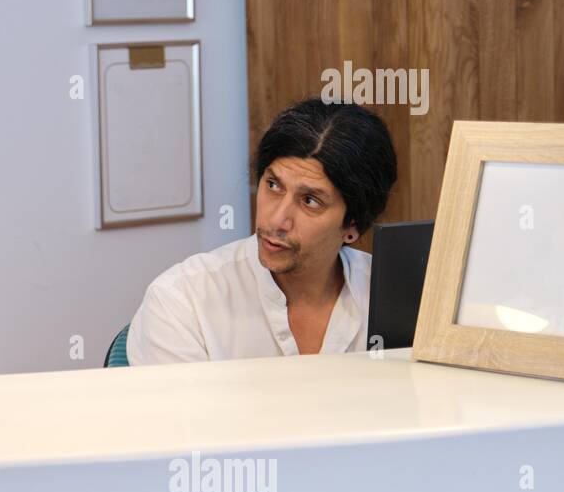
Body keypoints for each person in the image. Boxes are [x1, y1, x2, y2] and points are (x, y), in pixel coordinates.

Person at [127, 98, 397, 365]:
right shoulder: (182, 302)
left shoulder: (398, 299)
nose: (278, 220)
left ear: (353, 226)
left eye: (310, 201)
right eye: (273, 185)